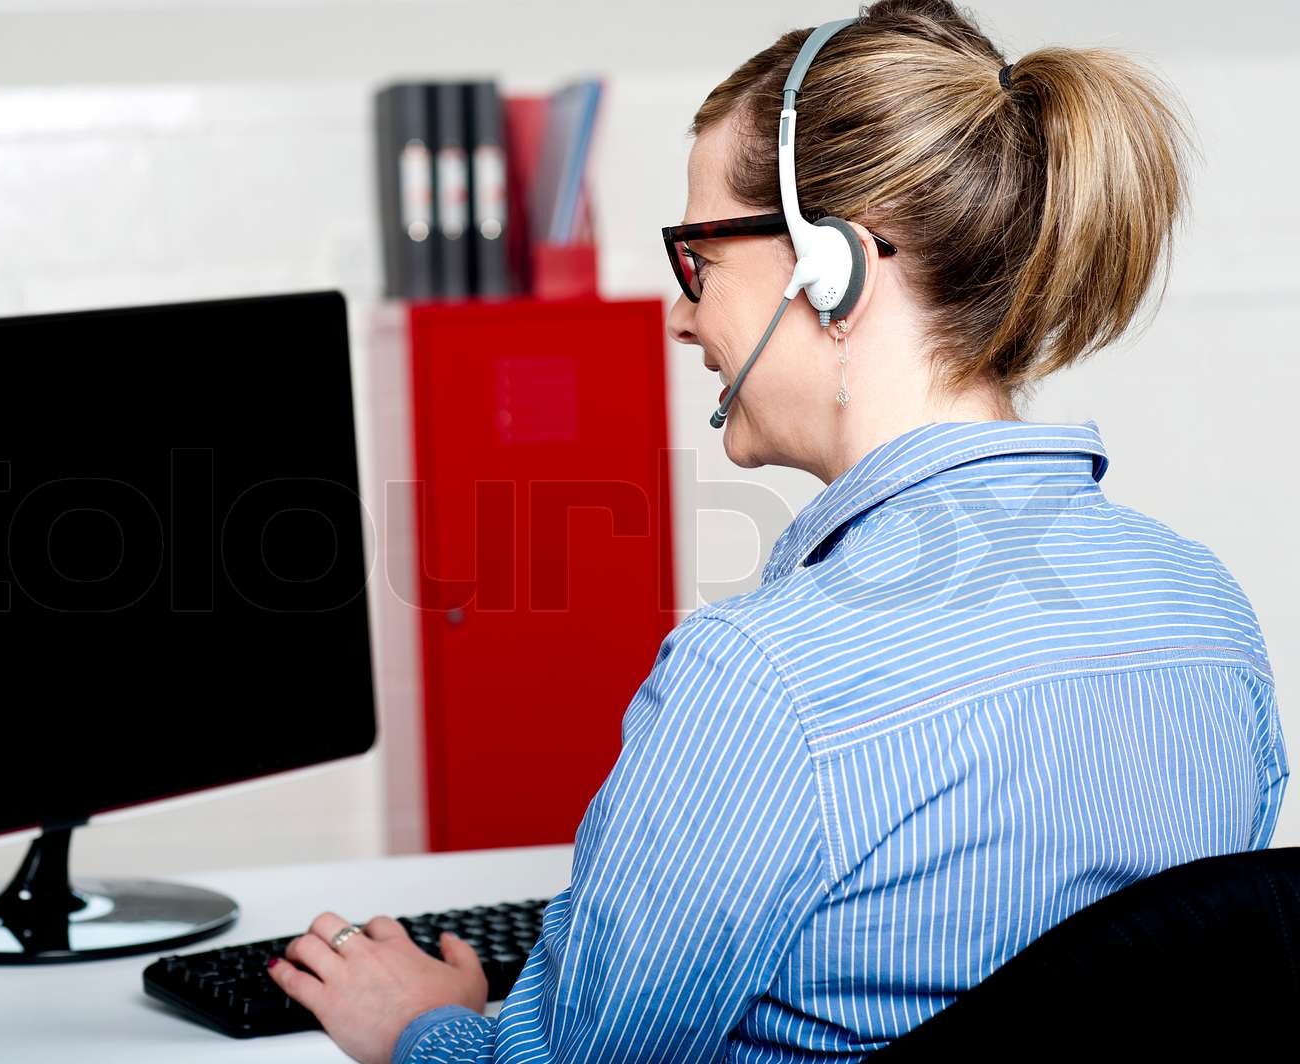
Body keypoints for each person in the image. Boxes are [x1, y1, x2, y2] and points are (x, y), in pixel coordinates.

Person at [267, 1, 1289, 1060]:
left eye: (696, 259)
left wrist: (419, 1026)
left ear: (830, 270)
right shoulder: (1203, 611)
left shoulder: (760, 681)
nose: (678, 315)